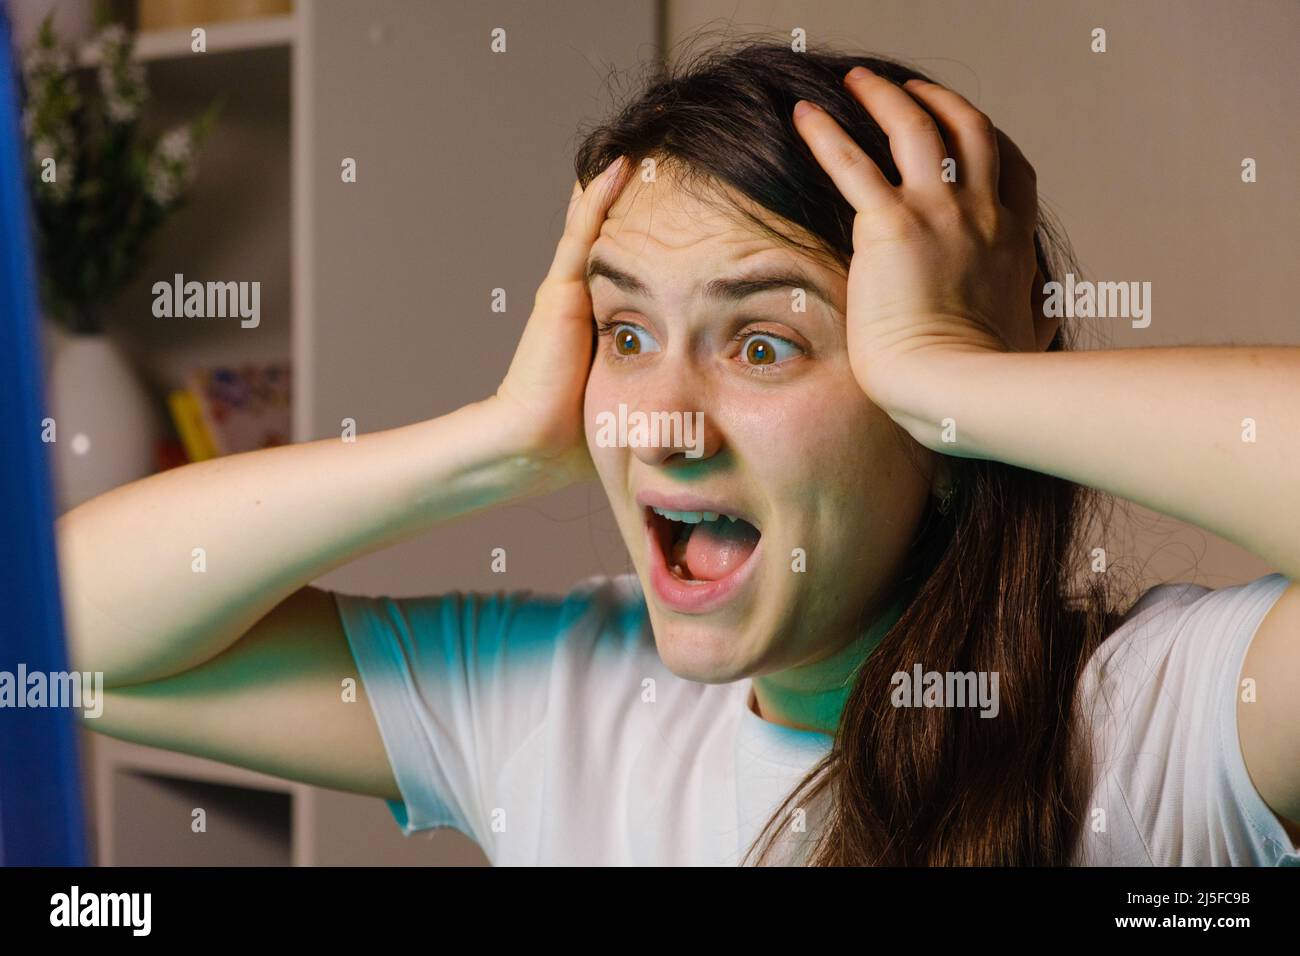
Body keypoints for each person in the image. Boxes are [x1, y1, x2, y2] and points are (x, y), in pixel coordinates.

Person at [59, 40, 1300, 866]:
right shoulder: (553, 696)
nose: (662, 418)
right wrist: (492, 446)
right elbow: (59, 635)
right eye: (625, 331)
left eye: (763, 344)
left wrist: (958, 373)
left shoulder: (1165, 723)